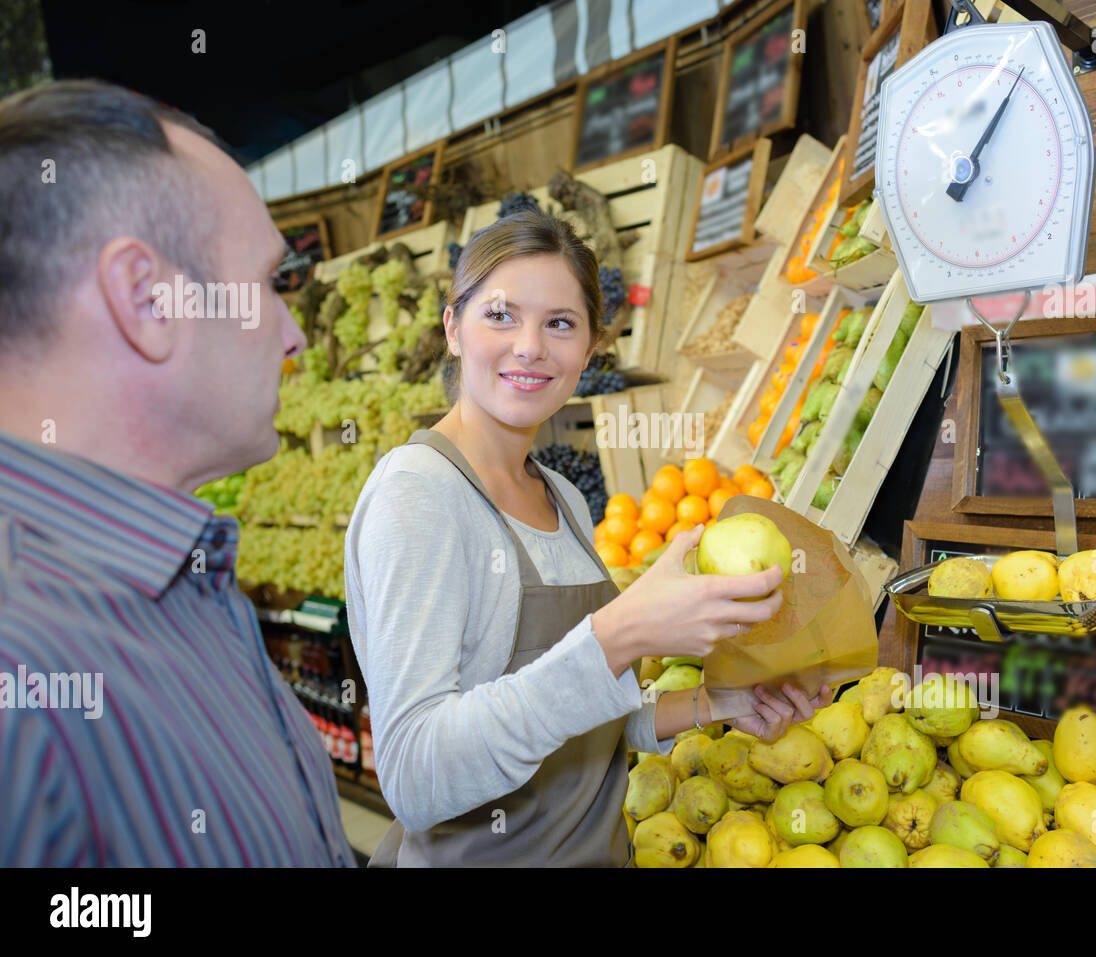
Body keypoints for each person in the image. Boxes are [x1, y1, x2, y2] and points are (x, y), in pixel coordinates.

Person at [345, 209, 832, 867]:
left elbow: (578, 719)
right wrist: (621, 635)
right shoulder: (420, 495)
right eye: (500, 315)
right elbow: (416, 775)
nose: (530, 346)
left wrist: (713, 702)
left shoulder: (565, 498)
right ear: (452, 329)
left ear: (590, 347)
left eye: (560, 323)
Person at [0, 79, 353, 866]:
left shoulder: (177, 570)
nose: (294, 334)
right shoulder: (21, 678)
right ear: (147, 298)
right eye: (268, 283)